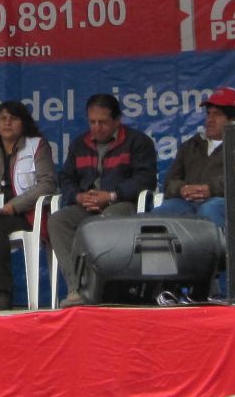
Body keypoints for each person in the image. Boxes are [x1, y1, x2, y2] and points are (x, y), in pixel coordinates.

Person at [50, 94, 157, 307]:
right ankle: (78, 287)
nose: (96, 128)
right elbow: (65, 178)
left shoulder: (138, 142)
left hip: (121, 204)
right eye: (92, 122)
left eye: (103, 122)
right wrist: (78, 196)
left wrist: (111, 196)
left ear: (117, 120)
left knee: (104, 222)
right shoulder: (79, 144)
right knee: (57, 221)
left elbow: (145, 179)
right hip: (87, 205)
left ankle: (107, 288)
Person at [0, 101, 57, 311]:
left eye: (13, 118)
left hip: (24, 213)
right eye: (2, 118)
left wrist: (14, 206)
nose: (7, 123)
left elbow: (47, 184)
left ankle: (3, 293)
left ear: (23, 123)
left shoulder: (36, 145)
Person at [153, 87, 235, 231]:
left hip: (224, 202)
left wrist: (210, 189)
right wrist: (182, 189)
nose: (210, 120)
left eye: (217, 114)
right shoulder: (190, 145)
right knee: (158, 214)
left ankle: (213, 254)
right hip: (186, 202)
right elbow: (168, 183)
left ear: (234, 119)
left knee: (209, 210)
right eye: (208, 114)